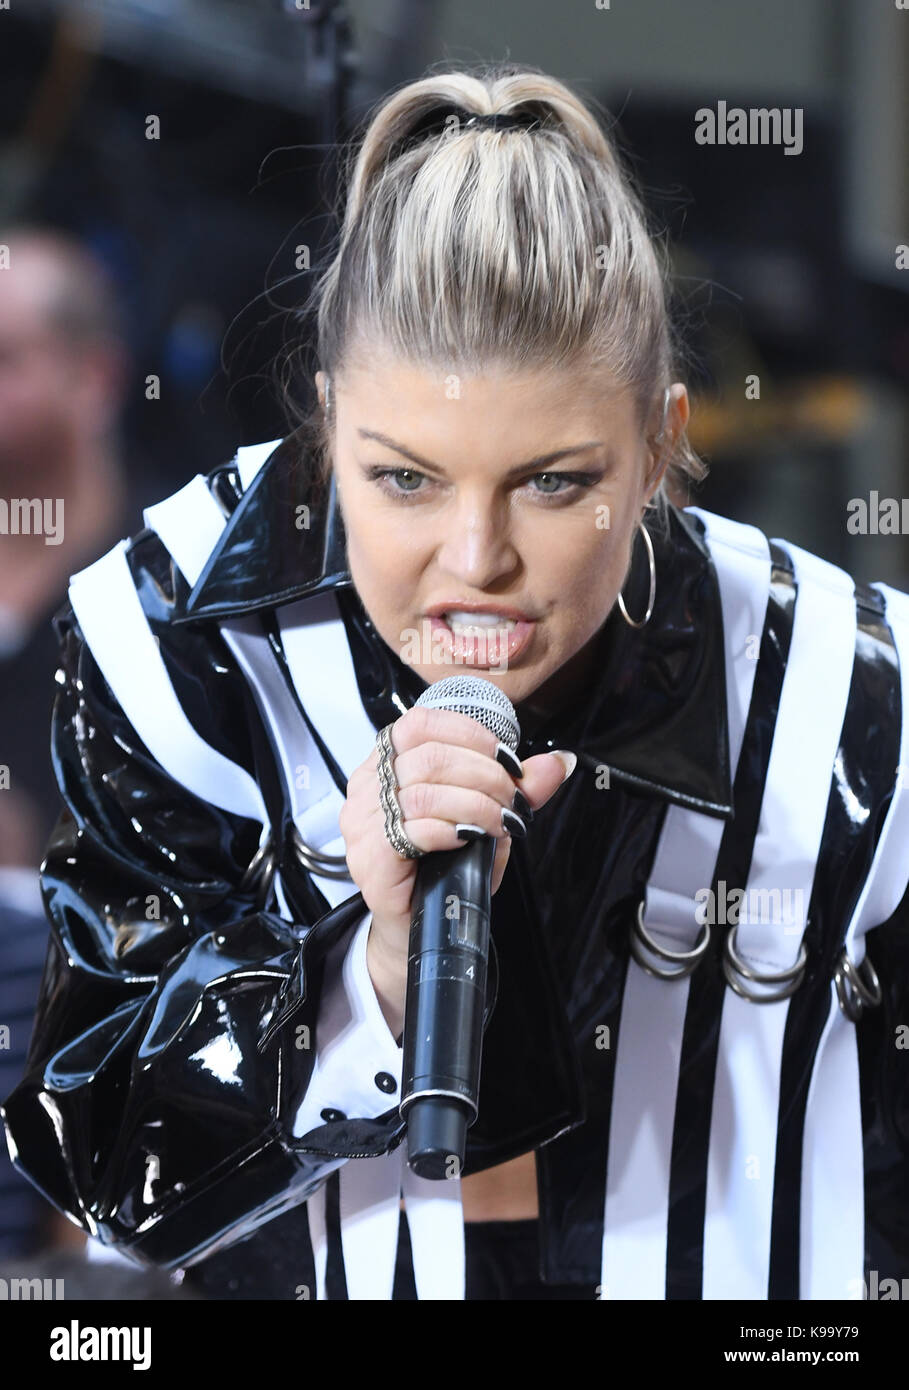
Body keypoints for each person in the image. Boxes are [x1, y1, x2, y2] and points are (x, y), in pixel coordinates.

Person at [3, 63, 909, 1302]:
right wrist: (362, 974)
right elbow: (109, 1184)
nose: (475, 565)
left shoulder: (866, 699)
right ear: (326, 427)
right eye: (403, 479)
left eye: (554, 481)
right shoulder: (171, 644)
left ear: (661, 444)